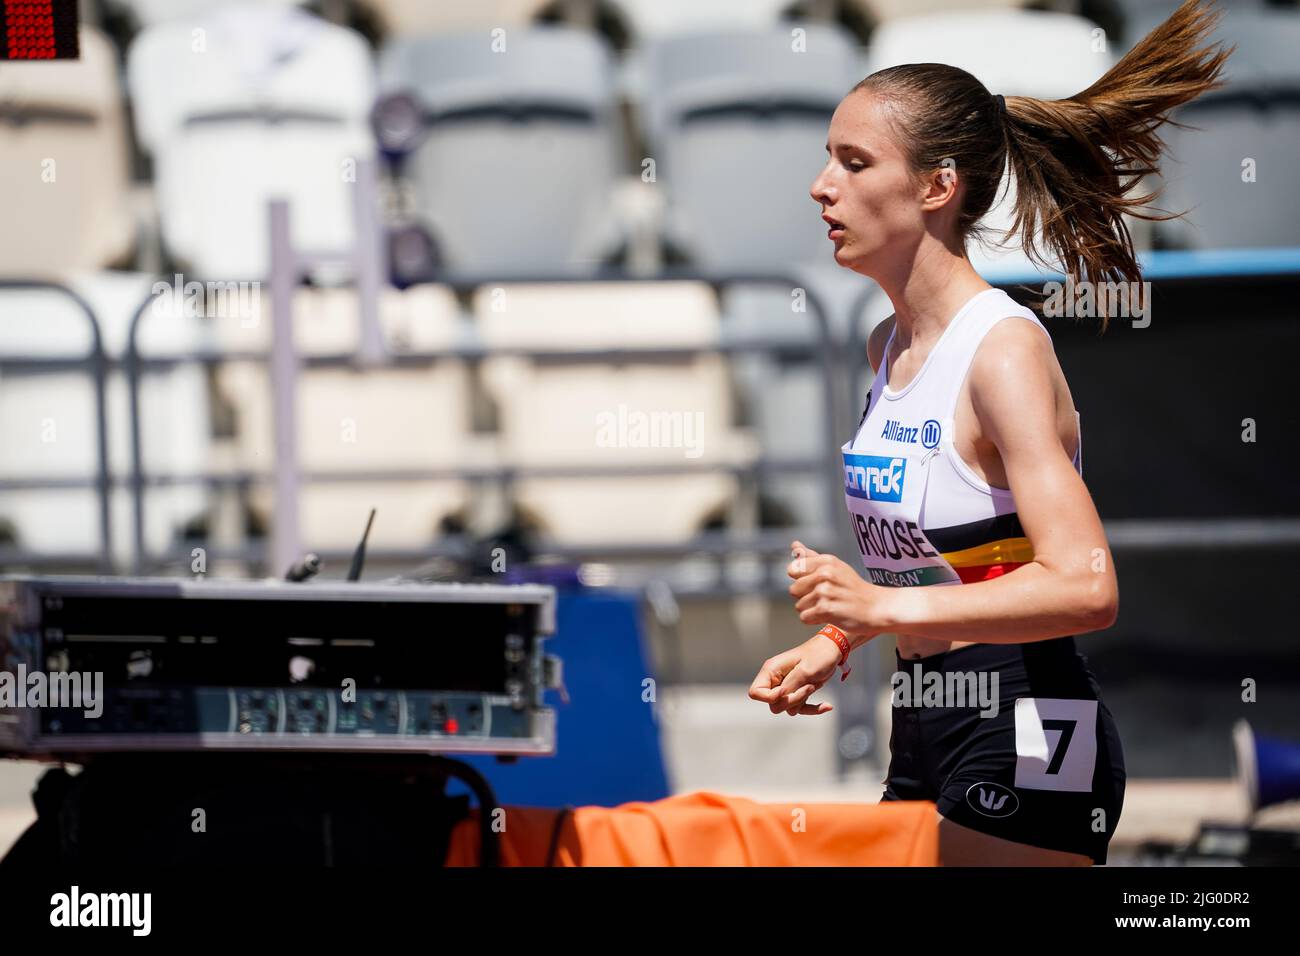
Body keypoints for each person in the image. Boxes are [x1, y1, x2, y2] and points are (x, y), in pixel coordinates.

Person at [748, 0, 1232, 865]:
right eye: (827, 159)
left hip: (1030, 720)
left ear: (937, 187)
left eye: (855, 163)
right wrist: (840, 633)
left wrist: (881, 606)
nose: (823, 186)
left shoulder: (999, 350)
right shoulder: (884, 344)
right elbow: (962, 562)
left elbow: (1087, 588)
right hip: (924, 716)